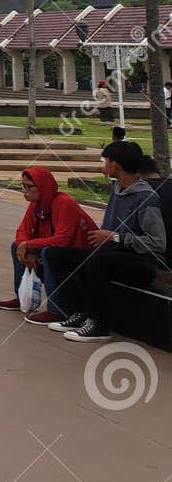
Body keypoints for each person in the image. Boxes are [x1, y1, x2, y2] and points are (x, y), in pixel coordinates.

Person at [43, 141, 168, 341]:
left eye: (106, 160)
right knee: (55, 254)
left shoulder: (146, 198)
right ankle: (80, 312)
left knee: (97, 261)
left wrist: (115, 237)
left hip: (142, 262)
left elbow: (157, 243)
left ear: (115, 164)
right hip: (113, 254)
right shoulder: (117, 189)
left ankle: (98, 325)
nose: (104, 164)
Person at [0, 165, 96, 322]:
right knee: (17, 246)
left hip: (78, 256)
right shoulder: (36, 205)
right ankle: (23, 297)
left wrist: (29, 245)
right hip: (55, 252)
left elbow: (62, 240)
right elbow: (22, 231)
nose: (24, 191)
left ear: (42, 186)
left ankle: (57, 310)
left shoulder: (64, 203)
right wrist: (26, 247)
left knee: (48, 252)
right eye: (23, 186)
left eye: (29, 186)